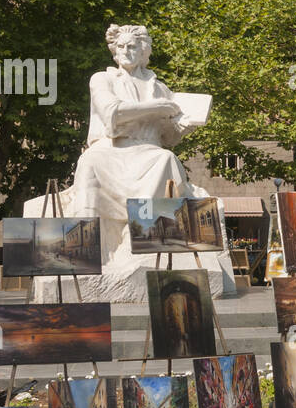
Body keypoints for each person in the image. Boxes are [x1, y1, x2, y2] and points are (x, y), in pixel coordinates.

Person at [71, 25, 203, 258]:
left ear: (143, 52)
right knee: (89, 161)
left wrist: (183, 127)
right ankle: (85, 247)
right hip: (112, 148)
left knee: (166, 158)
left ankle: (140, 233)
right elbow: (112, 112)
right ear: (114, 50)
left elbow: (169, 138)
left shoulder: (160, 88)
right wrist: (156, 107)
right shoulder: (102, 79)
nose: (126, 51)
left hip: (148, 151)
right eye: (121, 46)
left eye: (132, 46)